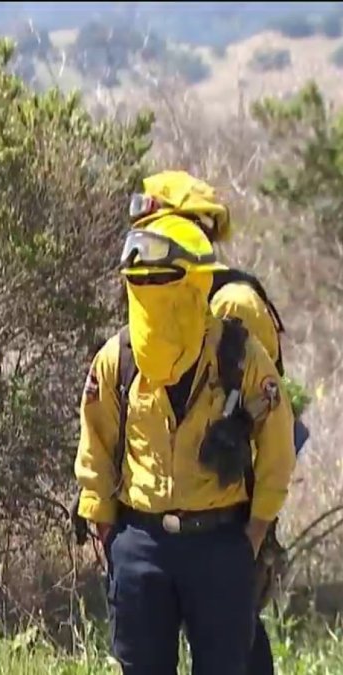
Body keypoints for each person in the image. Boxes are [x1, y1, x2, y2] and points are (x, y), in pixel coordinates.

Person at [73, 214, 296, 675]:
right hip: (139, 543)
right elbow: (94, 446)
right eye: (141, 280)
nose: (151, 288)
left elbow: (276, 448)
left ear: (194, 283)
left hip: (220, 542)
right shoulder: (118, 358)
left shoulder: (240, 355)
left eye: (162, 278)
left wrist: (252, 535)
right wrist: (111, 537)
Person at [129, 171, 294, 675]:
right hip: (166, 508)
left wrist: (254, 528)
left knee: (232, 643)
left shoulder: (232, 303)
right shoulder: (161, 297)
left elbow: (266, 413)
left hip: (227, 510)